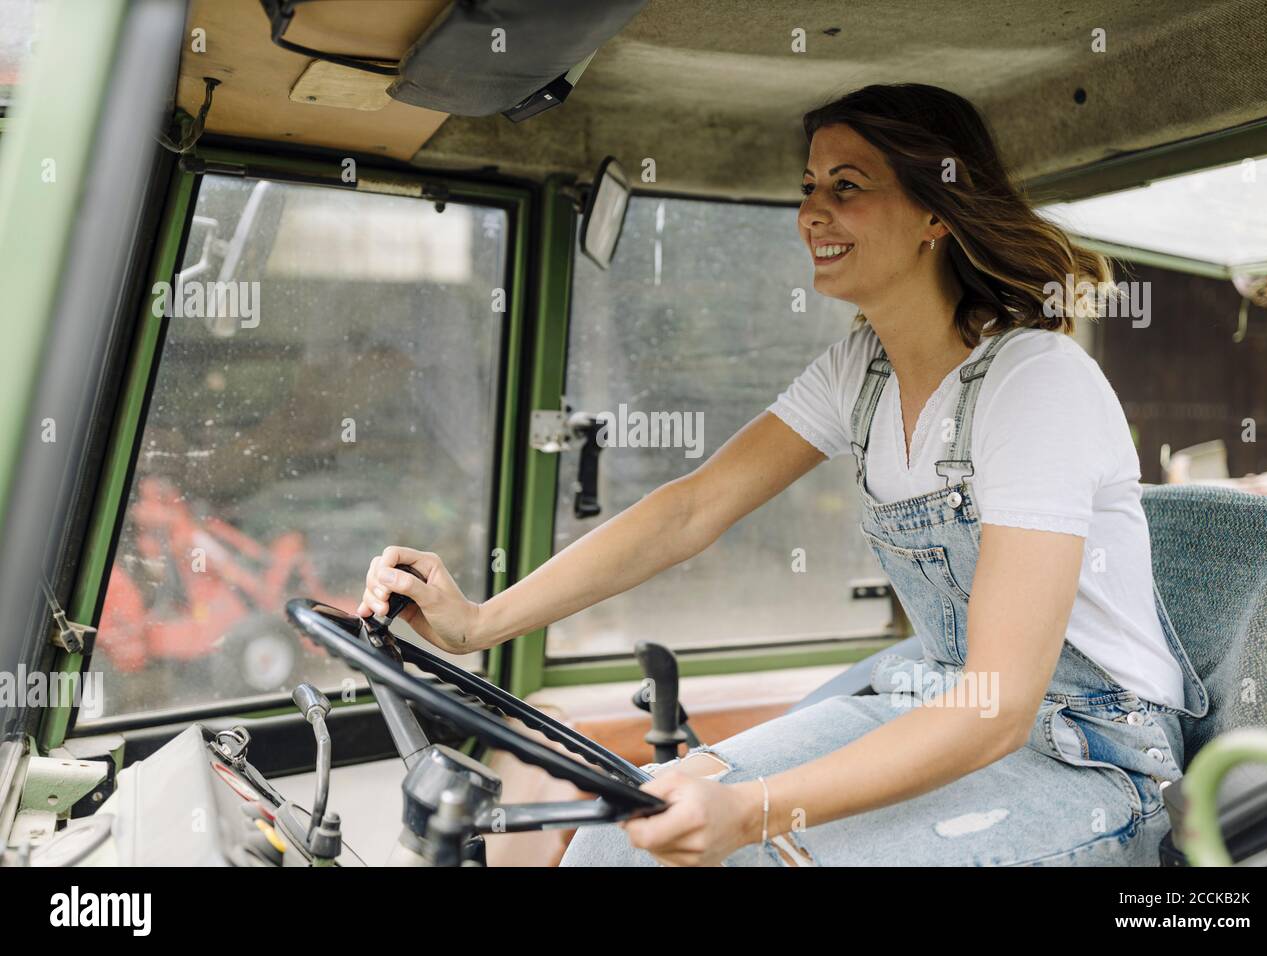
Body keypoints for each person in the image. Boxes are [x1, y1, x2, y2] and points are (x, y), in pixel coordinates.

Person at [355, 83, 1207, 867]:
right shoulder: (858, 371)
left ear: (934, 212)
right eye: (808, 188)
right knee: (624, 843)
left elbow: (999, 707)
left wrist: (755, 812)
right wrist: (477, 625)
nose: (812, 213)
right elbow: (691, 510)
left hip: (1086, 757)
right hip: (932, 707)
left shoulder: (1034, 383)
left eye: (847, 186)